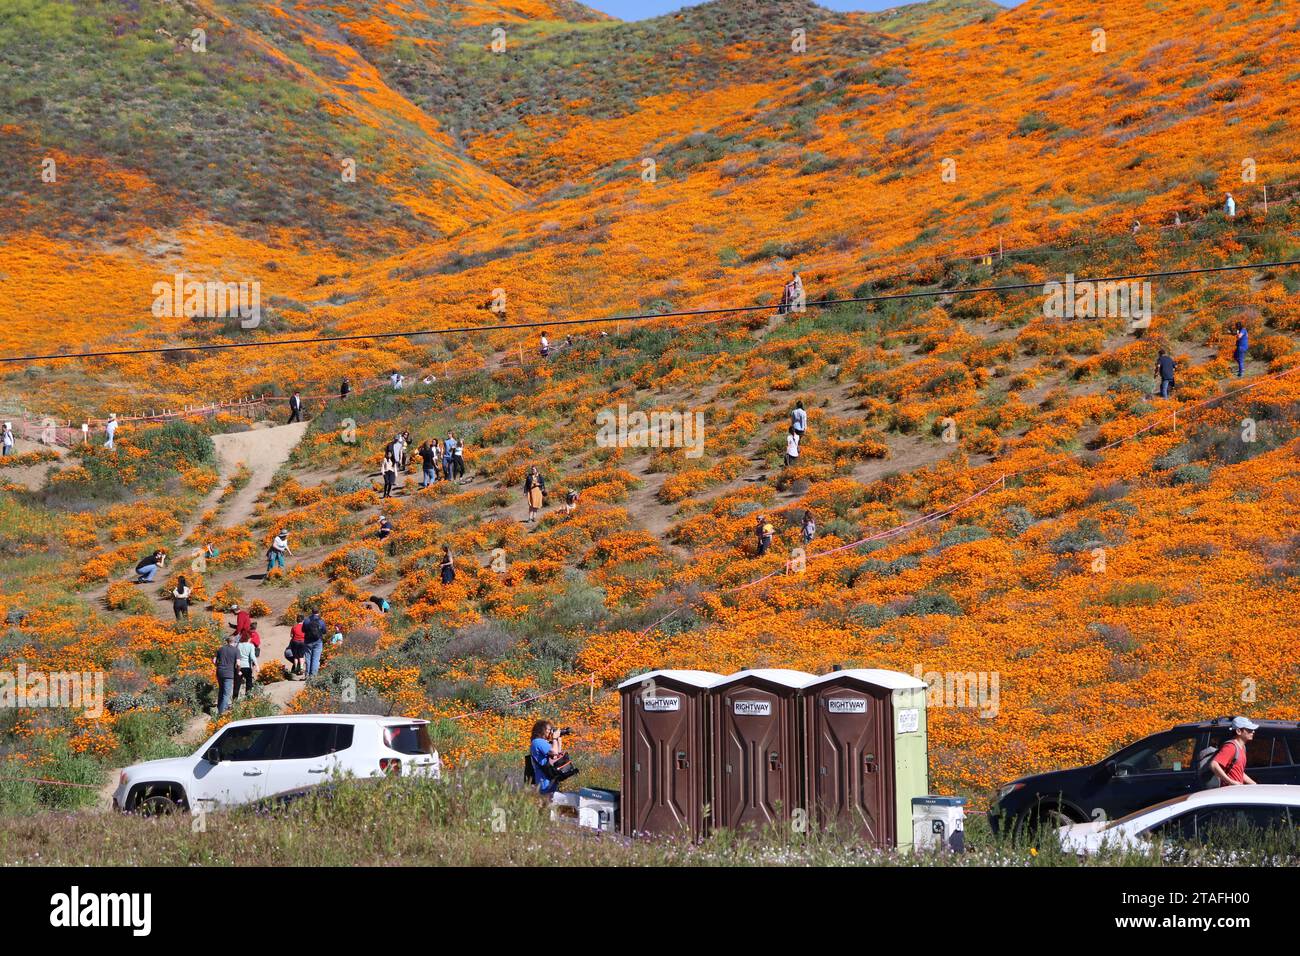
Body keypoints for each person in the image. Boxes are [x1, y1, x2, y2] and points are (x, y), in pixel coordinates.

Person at [1210, 716, 1259, 786]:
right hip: (1228, 791)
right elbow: (1214, 765)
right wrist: (1230, 782)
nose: (1253, 731)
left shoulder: (1242, 747)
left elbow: (1239, 772)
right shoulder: (1231, 747)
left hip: (1236, 791)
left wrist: (1254, 784)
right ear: (1238, 731)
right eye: (1249, 729)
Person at [528, 720, 560, 796]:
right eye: (549, 730)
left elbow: (557, 756)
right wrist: (554, 739)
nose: (550, 732)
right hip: (544, 780)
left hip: (549, 779)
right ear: (541, 730)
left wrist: (558, 740)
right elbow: (554, 752)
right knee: (547, 803)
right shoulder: (538, 741)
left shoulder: (541, 742)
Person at [214, 635, 239, 715]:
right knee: (226, 694)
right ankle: (221, 712)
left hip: (219, 672)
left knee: (221, 690)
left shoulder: (221, 649)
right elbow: (238, 663)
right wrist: (238, 670)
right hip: (228, 673)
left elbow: (214, 660)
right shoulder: (236, 650)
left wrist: (217, 666)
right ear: (234, 642)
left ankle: (219, 707)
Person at [233, 632, 257, 702]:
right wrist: (257, 665)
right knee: (249, 683)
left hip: (238, 667)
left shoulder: (238, 645)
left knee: (237, 684)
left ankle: (234, 701)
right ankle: (248, 700)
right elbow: (252, 656)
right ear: (248, 638)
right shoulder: (251, 646)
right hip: (247, 667)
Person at [303, 609, 326, 677]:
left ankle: (307, 674)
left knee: (308, 658)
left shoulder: (306, 620)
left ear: (312, 612)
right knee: (316, 658)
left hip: (307, 641)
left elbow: (303, 630)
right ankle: (313, 675)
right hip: (318, 641)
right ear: (318, 612)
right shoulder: (321, 621)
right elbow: (324, 631)